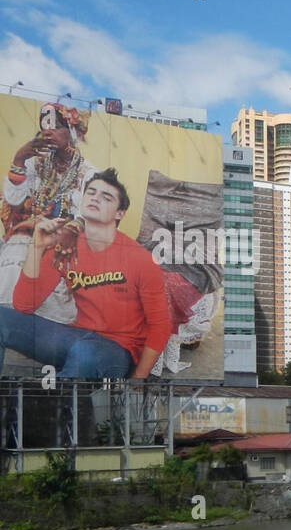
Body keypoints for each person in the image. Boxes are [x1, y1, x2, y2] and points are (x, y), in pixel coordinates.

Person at [0, 169, 170, 378]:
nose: (95, 198)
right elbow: (24, 305)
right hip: (75, 337)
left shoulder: (140, 258)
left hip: (116, 349)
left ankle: (47, 404)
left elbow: (160, 325)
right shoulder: (66, 247)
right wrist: (36, 247)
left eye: (106, 197)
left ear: (119, 213)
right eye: (91, 192)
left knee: (85, 354)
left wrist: (138, 379)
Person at [3, 102, 96, 240]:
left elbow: (88, 219)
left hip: (62, 242)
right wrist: (19, 159)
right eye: (44, 127)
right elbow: (14, 203)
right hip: (26, 237)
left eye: (56, 127)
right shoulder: (33, 162)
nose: (47, 132)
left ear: (73, 132)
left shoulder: (88, 174)